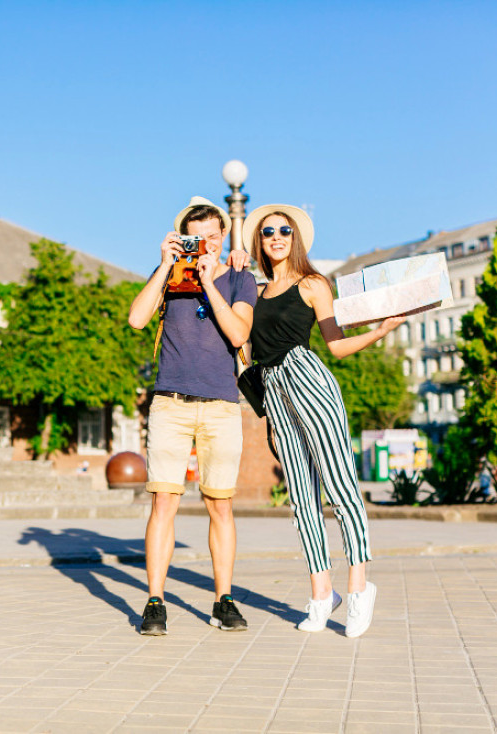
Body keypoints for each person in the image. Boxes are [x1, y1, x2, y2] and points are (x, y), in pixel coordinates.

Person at [234, 204, 403, 638]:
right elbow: (243, 342)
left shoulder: (313, 284)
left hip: (309, 380)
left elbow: (337, 346)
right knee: (301, 498)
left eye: (284, 231)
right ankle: (321, 594)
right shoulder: (254, 290)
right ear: (260, 241)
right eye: (268, 231)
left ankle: (360, 588)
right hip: (274, 392)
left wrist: (382, 330)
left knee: (340, 485)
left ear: (296, 239)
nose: (276, 237)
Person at [128, 196, 258, 636]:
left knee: (220, 504)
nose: (203, 245)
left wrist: (210, 284)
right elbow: (136, 319)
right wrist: (165, 265)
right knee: (164, 500)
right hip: (170, 402)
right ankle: (155, 601)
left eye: (210, 237)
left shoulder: (240, 278)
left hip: (221, 405)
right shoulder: (169, 275)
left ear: (222, 239)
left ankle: (223, 598)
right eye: (193, 238)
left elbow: (240, 332)